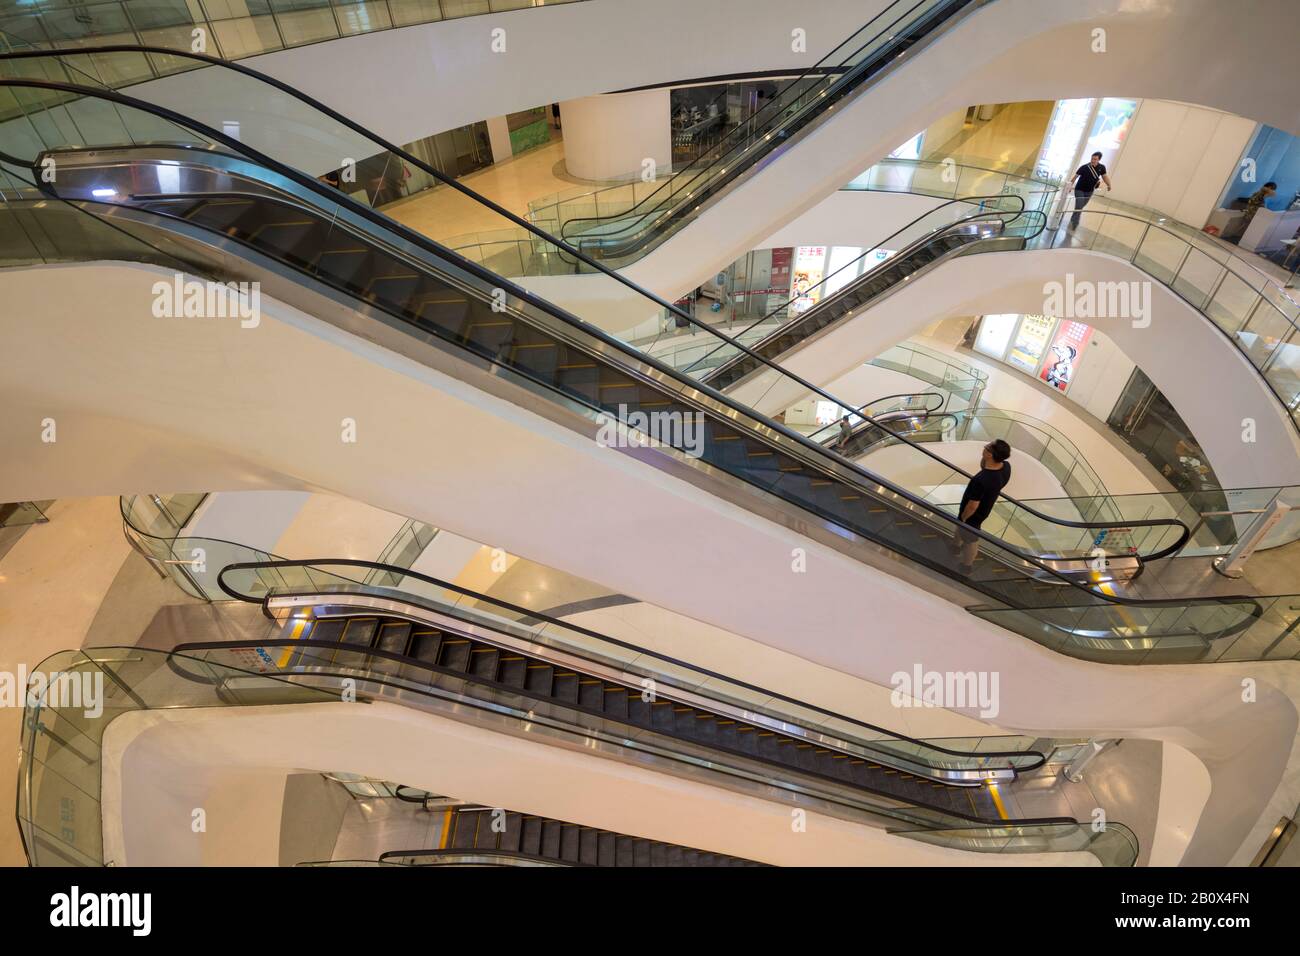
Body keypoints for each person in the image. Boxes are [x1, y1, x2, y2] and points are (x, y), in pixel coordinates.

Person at [950, 439, 1012, 575]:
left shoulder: (981, 480)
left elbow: (972, 505)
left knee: (971, 540)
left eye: (987, 447)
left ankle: (967, 566)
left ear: (990, 455)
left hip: (973, 515)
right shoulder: (1006, 467)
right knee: (962, 529)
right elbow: (985, 467)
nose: (984, 448)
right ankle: (955, 546)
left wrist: (964, 518)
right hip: (985, 508)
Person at [1068, 151, 1112, 230]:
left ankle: (1073, 218)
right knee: (1079, 206)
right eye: (1092, 158)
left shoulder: (1101, 167)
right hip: (1079, 189)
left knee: (1080, 206)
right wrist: (1069, 186)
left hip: (1089, 191)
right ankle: (1075, 222)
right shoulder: (1084, 167)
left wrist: (1109, 185)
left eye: (1095, 159)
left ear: (1099, 160)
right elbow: (1075, 177)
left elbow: (1105, 177)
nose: (1093, 160)